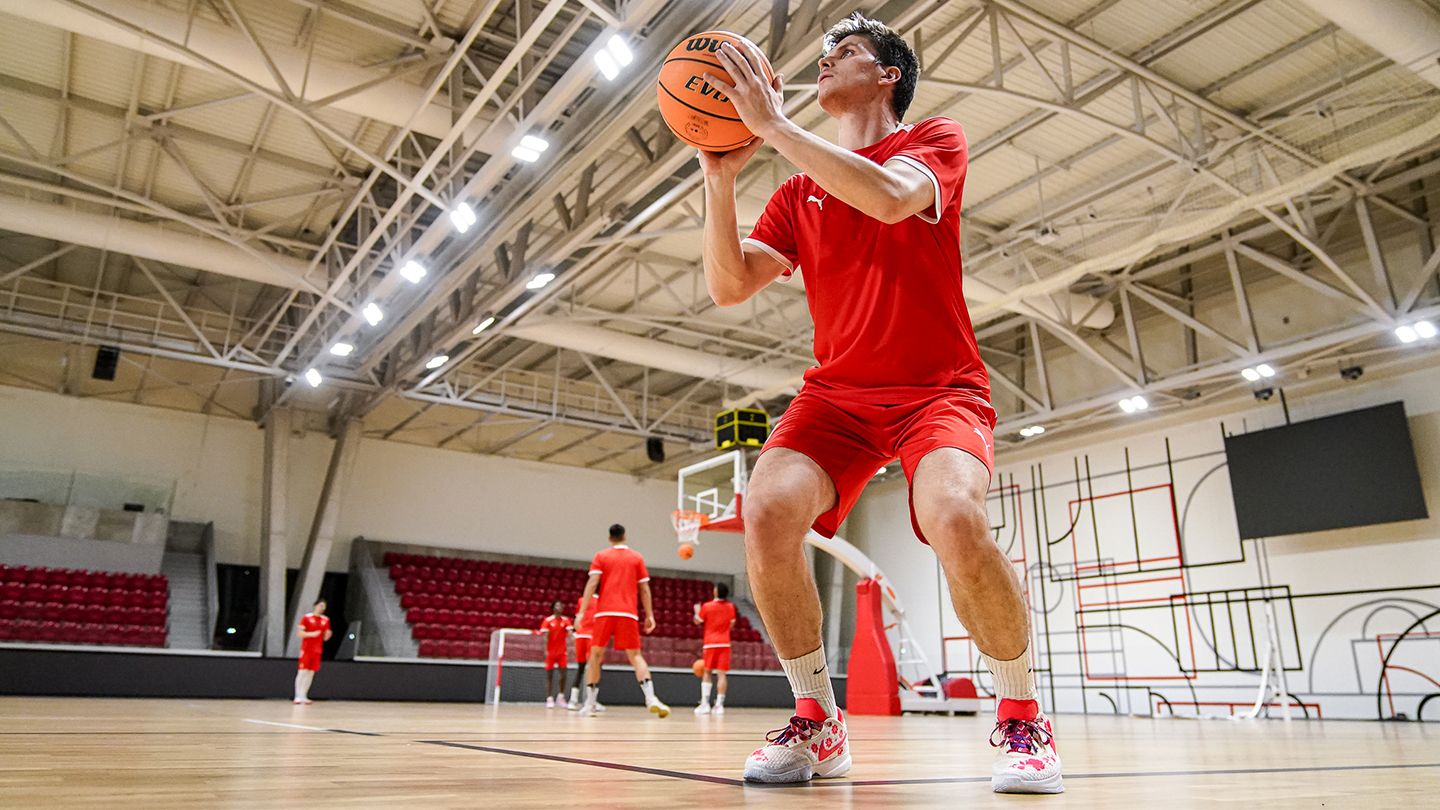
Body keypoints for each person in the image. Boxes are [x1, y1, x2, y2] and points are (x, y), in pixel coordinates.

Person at [698, 12, 1063, 793]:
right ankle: (818, 723)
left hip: (938, 388)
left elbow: (894, 200)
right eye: (825, 54)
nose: (825, 62)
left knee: (958, 519)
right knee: (765, 509)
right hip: (839, 398)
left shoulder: (933, 141)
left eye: (846, 52)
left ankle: (1023, 718)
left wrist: (774, 126)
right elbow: (729, 286)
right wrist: (719, 178)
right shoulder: (798, 193)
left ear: (888, 75)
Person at [574, 524, 670, 718]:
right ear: (624, 536)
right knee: (635, 656)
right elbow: (644, 589)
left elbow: (592, 583)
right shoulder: (636, 557)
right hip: (628, 613)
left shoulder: (601, 556)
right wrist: (650, 614)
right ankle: (651, 698)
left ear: (610, 538)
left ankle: (590, 703)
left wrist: (581, 612)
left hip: (604, 613)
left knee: (595, 656)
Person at [693, 581, 737, 715]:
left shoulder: (707, 606)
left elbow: (697, 621)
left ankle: (705, 704)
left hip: (710, 643)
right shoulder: (730, 607)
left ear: (716, 592)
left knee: (707, 672)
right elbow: (732, 624)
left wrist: (696, 611)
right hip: (724, 643)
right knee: (721, 675)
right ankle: (719, 705)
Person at [566, 592, 601, 711]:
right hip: (593, 637)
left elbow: (577, 618)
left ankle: (573, 700)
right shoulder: (602, 600)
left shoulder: (581, 600)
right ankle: (592, 702)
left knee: (580, 668)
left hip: (580, 636)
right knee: (595, 669)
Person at [294, 598, 332, 705]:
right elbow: (300, 634)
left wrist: (327, 635)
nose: (322, 608)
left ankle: (304, 695)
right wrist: (311, 634)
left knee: (310, 673)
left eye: (324, 606)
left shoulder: (325, 620)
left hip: (317, 651)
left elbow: (324, 637)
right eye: (320, 605)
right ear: (315, 606)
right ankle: (297, 695)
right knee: (302, 672)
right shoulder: (306, 618)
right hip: (306, 649)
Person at [536, 600, 573, 708]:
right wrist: (545, 650)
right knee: (549, 676)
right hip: (551, 652)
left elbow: (570, 634)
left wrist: (573, 642)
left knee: (564, 674)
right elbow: (545, 637)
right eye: (557, 605)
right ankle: (549, 698)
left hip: (562, 652)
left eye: (561, 605)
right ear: (553, 608)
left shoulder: (566, 620)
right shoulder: (548, 620)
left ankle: (560, 697)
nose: (560, 607)